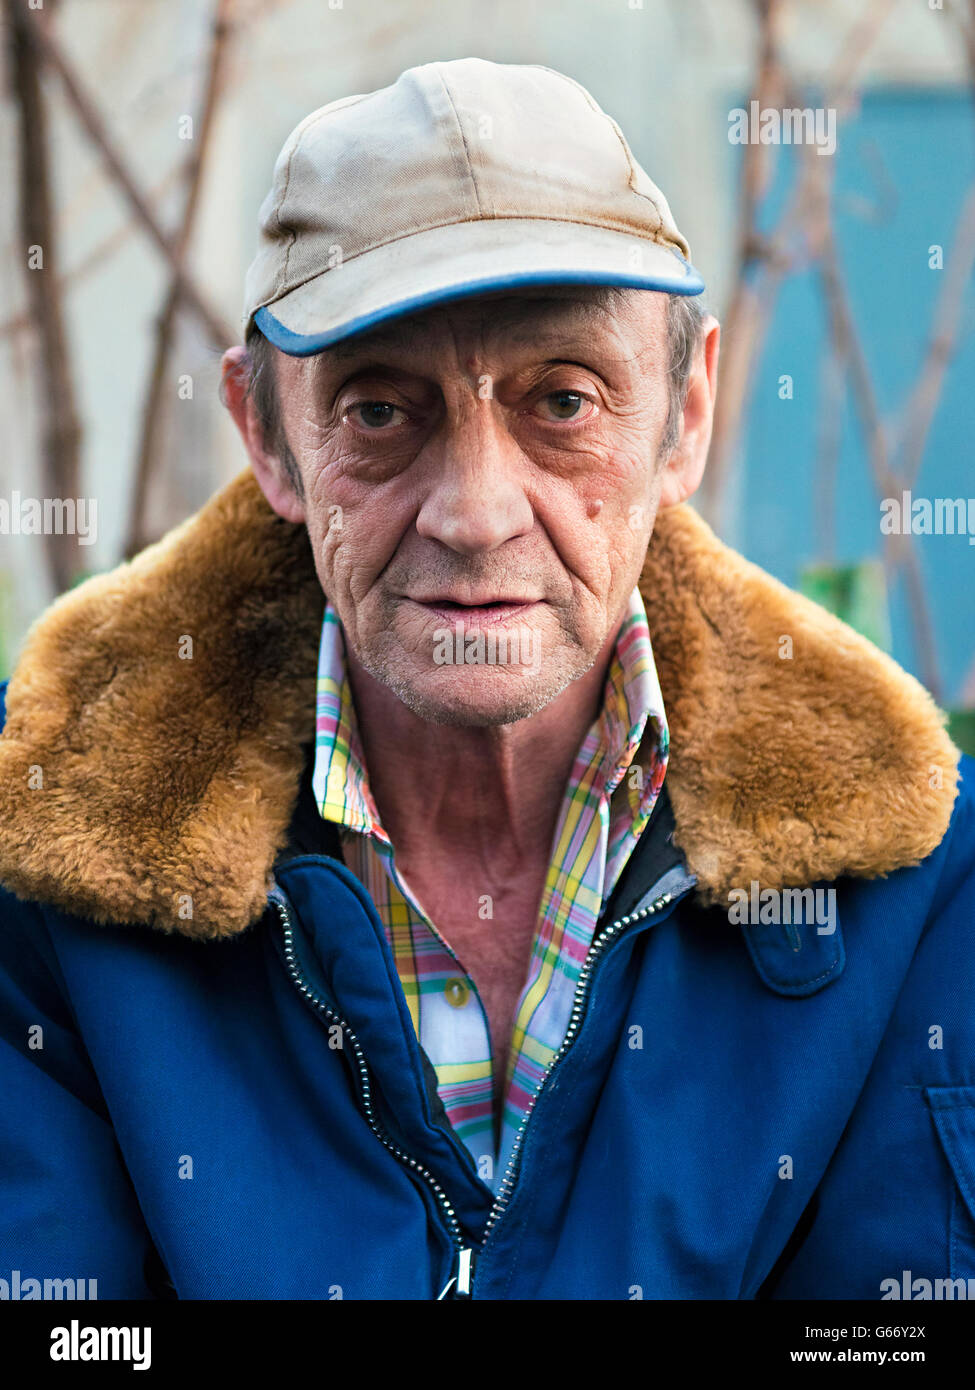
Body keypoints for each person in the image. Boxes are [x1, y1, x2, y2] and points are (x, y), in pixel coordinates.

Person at [0, 58, 972, 1302]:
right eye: (380, 413)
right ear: (268, 437)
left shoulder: (921, 886)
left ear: (685, 415)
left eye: (562, 401)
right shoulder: (46, 863)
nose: (474, 511)